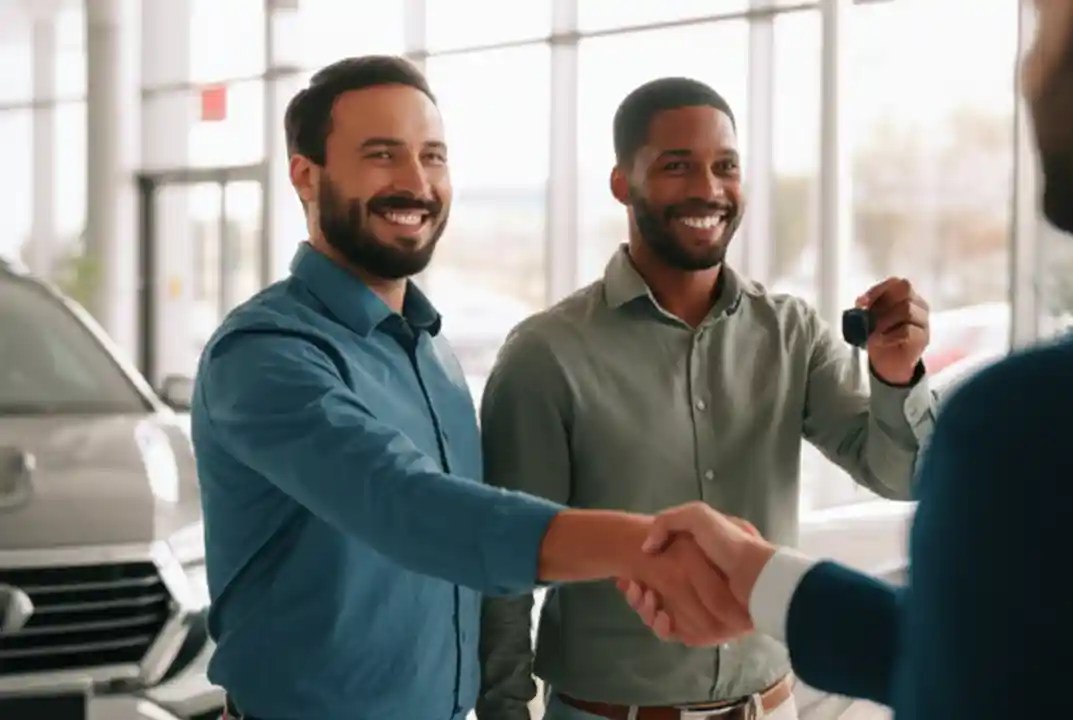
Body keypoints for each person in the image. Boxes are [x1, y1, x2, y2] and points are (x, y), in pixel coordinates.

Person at [621, 0, 1073, 717]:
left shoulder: (1054, 423)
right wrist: (770, 586)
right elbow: (1053, 653)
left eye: (1042, 26)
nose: (1028, 70)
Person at [191, 56, 751, 720]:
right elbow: (411, 508)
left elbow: (472, 582)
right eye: (381, 155)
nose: (416, 183)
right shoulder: (263, 355)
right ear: (305, 175)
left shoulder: (430, 350)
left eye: (433, 156)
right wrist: (643, 546)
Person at [476, 77, 936, 720]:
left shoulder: (791, 333)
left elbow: (900, 474)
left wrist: (895, 377)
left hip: (770, 706)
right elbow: (506, 566)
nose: (708, 188)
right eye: (676, 166)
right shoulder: (545, 356)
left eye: (725, 166)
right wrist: (503, 711)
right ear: (621, 184)